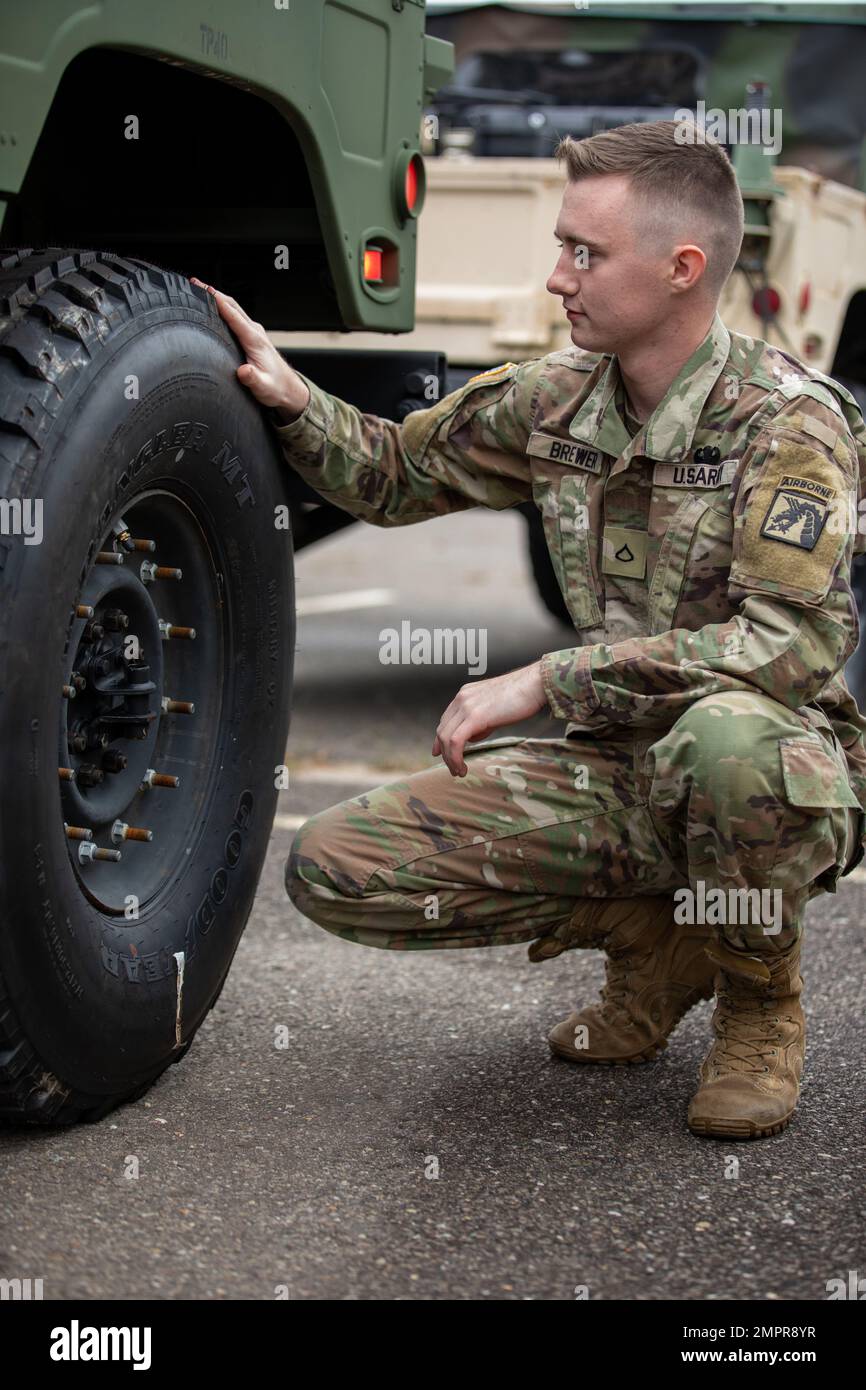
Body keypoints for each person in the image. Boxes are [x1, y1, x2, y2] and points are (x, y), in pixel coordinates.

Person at [191, 118, 866, 1140]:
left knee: (726, 745)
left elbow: (787, 646)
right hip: (615, 770)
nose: (557, 276)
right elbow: (392, 472)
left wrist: (553, 680)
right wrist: (290, 398)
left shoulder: (786, 424)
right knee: (336, 865)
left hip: (770, 766)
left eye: (583, 252)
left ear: (681, 269)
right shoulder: (550, 400)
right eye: (561, 246)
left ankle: (757, 1007)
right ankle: (662, 936)